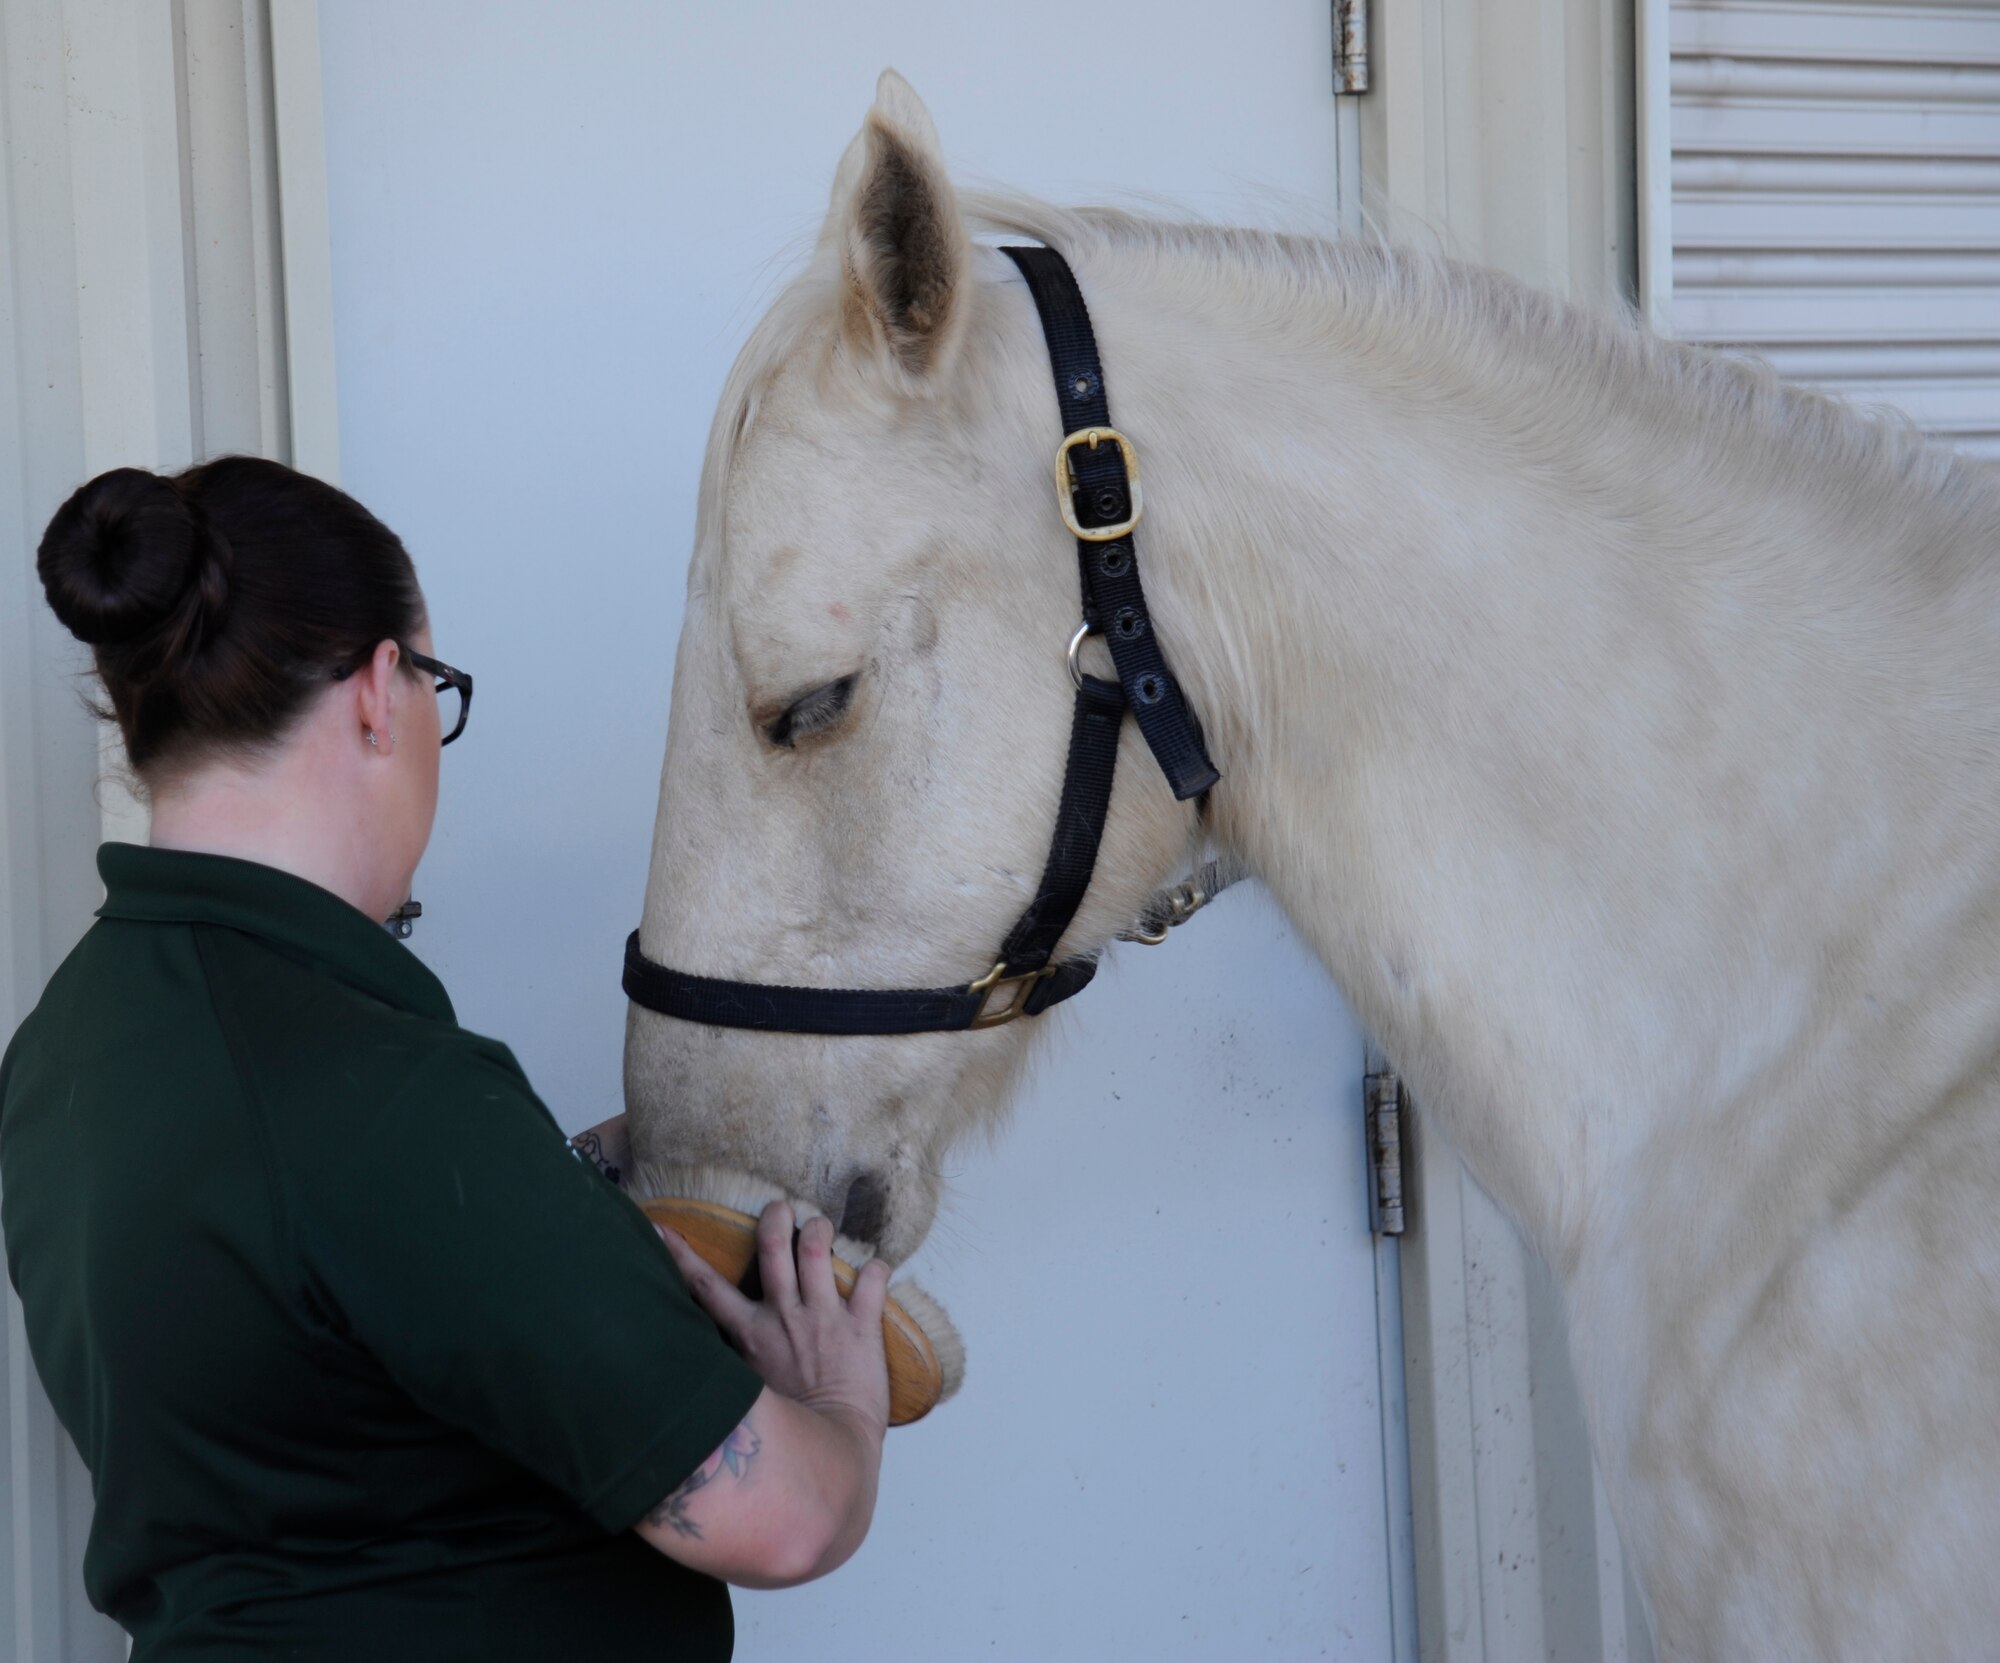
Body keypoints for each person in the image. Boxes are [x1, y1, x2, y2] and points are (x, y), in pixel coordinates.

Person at [0, 457, 889, 1661]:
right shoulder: (371, 1083)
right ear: (380, 689)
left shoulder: (63, 1053)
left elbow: (313, 1344)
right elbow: (778, 1519)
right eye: (435, 685)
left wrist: (549, 1182)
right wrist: (837, 1406)